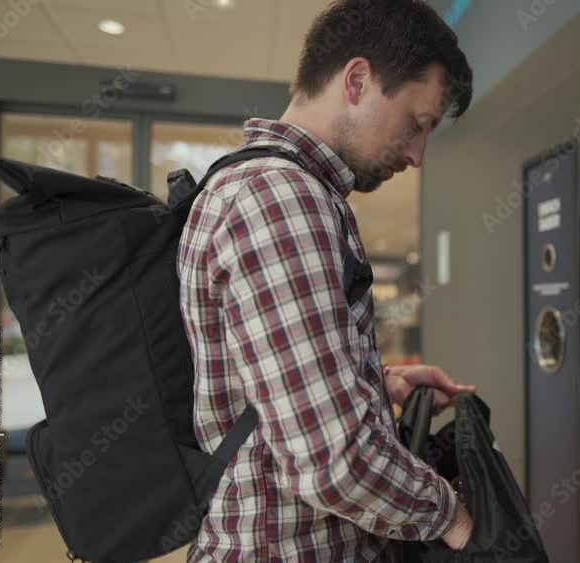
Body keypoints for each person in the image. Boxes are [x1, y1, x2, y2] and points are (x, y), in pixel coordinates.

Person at [176, 1, 475, 561]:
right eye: (418, 123)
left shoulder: (256, 185)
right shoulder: (280, 198)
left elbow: (265, 389)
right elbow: (333, 462)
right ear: (358, 79)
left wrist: (378, 385)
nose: (417, 155)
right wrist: (459, 519)